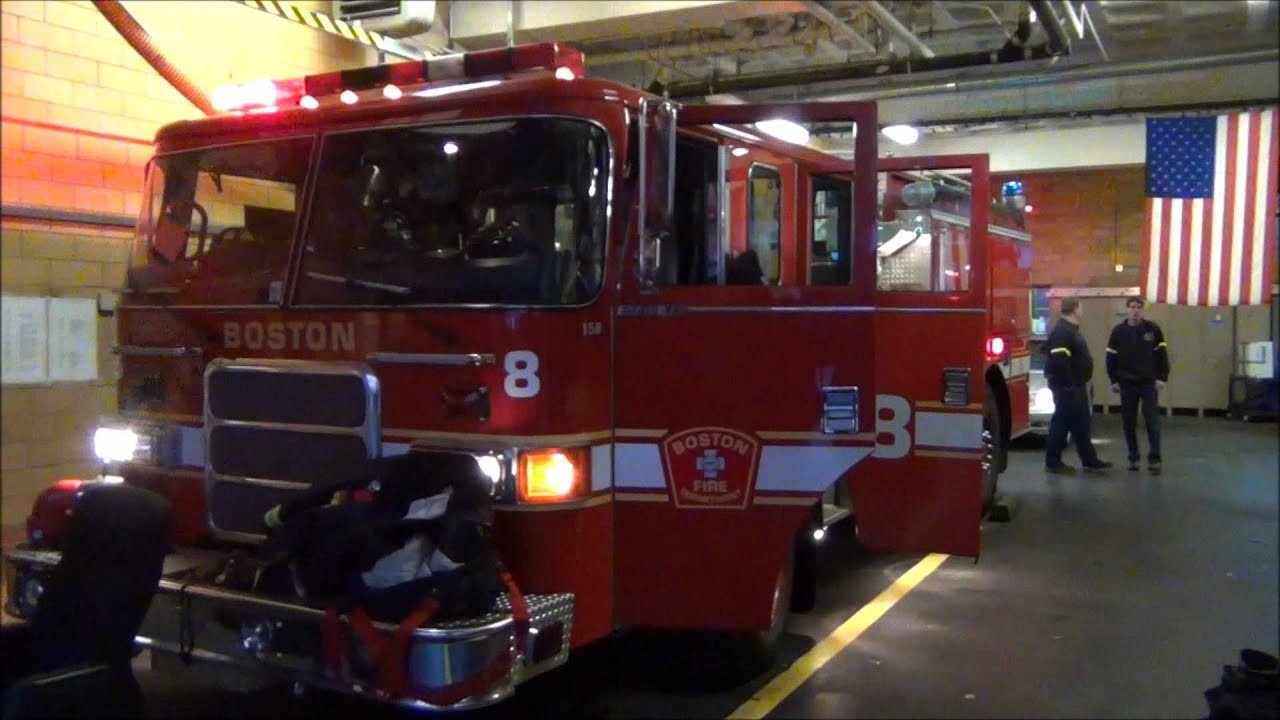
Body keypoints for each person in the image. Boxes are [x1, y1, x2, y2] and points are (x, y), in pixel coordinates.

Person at [1043, 296, 1113, 474]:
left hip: (1076, 385)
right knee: (1061, 423)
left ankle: (1089, 459)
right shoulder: (1063, 331)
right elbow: (1059, 360)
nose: (1082, 311)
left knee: (1081, 423)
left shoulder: (1071, 330)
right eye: (1080, 307)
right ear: (1075, 309)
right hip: (1067, 386)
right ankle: (1053, 462)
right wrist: (1069, 384)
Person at [1106, 296, 1170, 475]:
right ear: (1127, 309)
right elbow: (1111, 357)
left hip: (1148, 383)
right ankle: (1133, 457)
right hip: (1127, 384)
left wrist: (1162, 378)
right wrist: (1113, 380)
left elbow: (1162, 355)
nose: (1135, 310)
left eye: (1138, 307)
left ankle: (1154, 459)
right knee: (1129, 423)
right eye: (1132, 307)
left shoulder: (1153, 329)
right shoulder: (1118, 331)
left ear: (1142, 310)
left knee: (1152, 422)